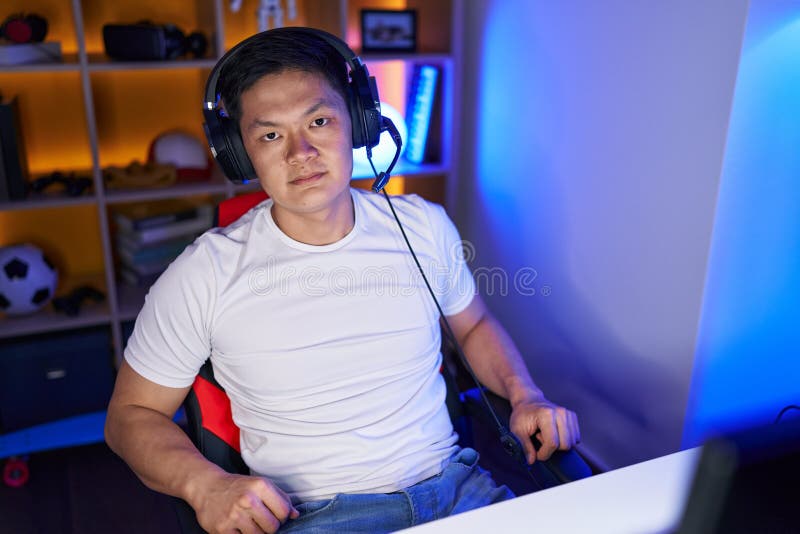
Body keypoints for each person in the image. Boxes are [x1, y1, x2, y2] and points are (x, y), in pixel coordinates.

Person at [105, 27, 581, 534]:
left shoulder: (422, 226)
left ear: (357, 122)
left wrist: (525, 393)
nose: (299, 152)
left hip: (458, 489)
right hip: (317, 516)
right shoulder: (202, 274)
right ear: (239, 153)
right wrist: (204, 485)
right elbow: (130, 415)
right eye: (270, 135)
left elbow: (473, 326)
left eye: (319, 120)